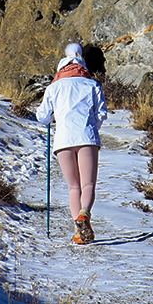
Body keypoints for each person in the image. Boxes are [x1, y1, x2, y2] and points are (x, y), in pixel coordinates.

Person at [36, 42, 108, 244]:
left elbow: (42, 117)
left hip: (63, 141)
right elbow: (101, 113)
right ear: (82, 63)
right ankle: (84, 215)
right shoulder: (92, 84)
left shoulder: (53, 87)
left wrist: (52, 117)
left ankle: (79, 231)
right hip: (87, 137)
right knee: (88, 184)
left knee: (73, 187)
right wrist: (93, 127)